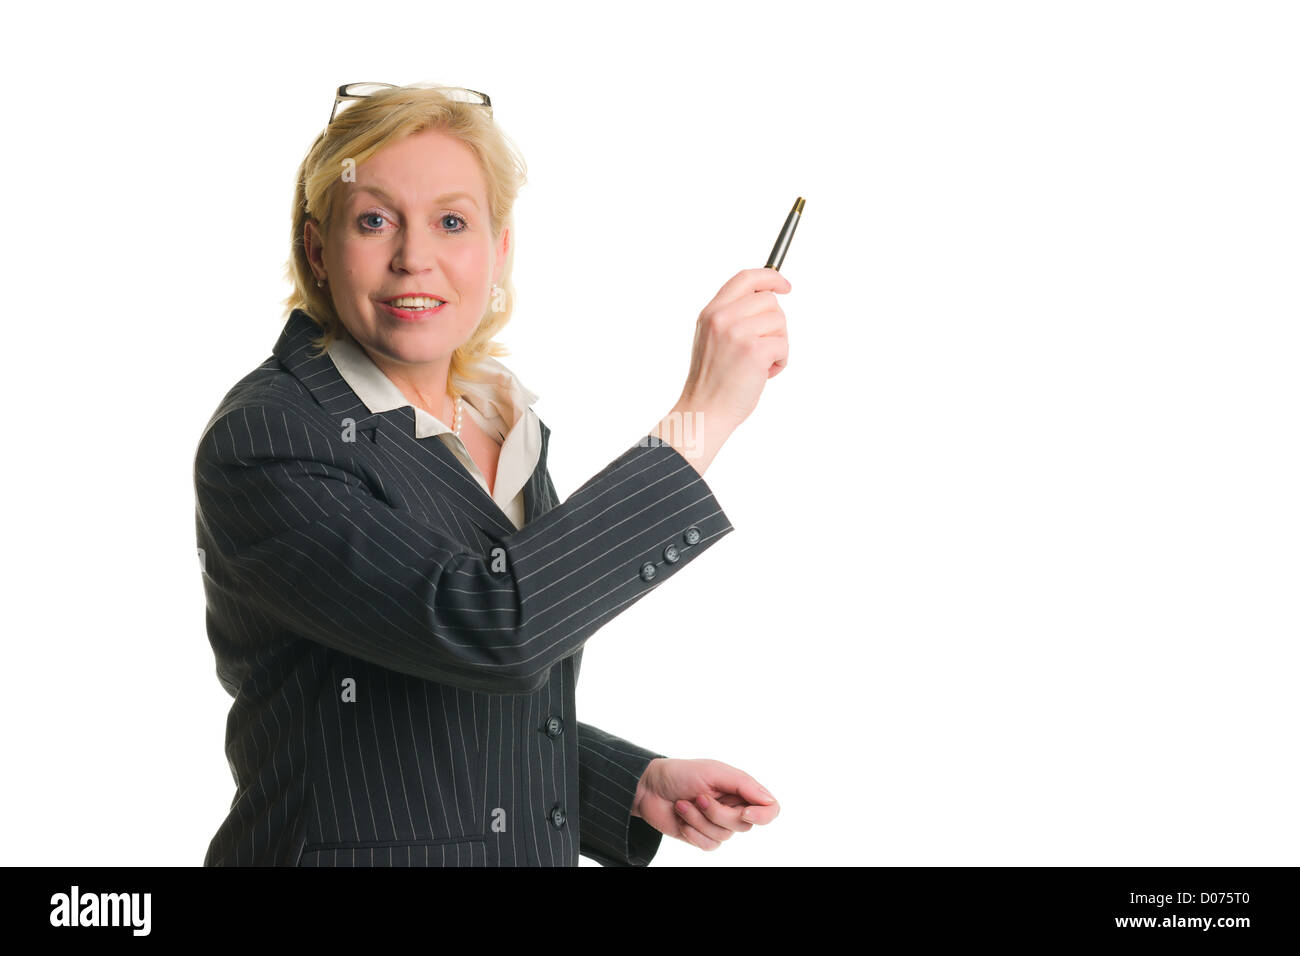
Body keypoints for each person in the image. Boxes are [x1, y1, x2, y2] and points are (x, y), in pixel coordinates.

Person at [195, 83, 788, 866]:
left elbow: (428, 697)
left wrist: (628, 782)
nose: (415, 257)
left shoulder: (503, 418)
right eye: (374, 220)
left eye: (452, 221)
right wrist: (700, 418)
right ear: (315, 248)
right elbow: (485, 626)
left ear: (499, 249)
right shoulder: (272, 437)